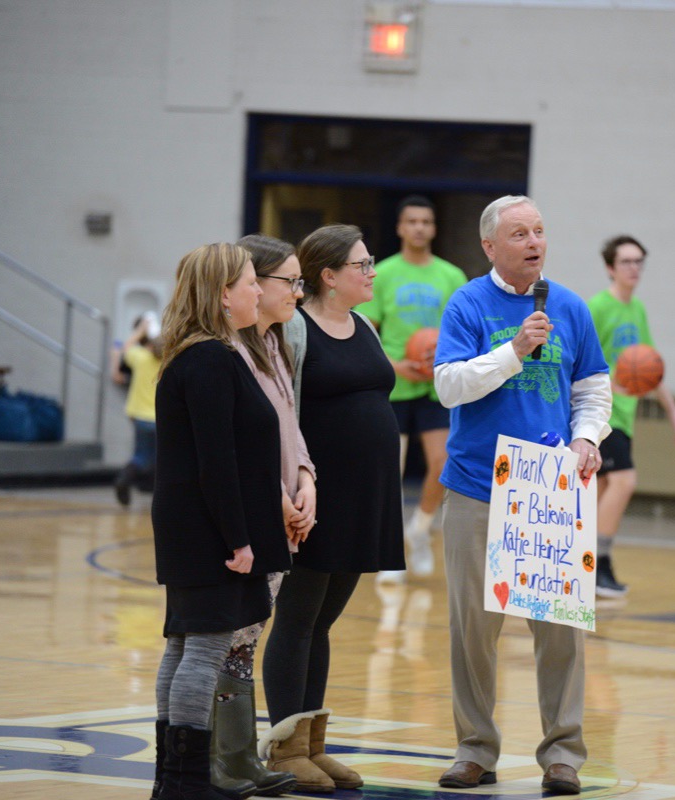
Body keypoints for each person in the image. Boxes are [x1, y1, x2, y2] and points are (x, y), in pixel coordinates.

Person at [433, 196, 611, 795]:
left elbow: (593, 390)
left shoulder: (570, 306)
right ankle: (474, 749)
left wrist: (587, 438)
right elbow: (449, 387)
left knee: (559, 629)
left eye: (539, 231)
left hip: (549, 488)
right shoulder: (467, 304)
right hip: (478, 486)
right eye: (518, 233)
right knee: (473, 631)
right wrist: (514, 351)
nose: (534, 241)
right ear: (490, 247)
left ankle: (562, 755)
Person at [260, 224, 404, 792]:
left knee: (323, 622)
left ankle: (311, 745)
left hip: (365, 492)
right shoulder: (293, 329)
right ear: (329, 275)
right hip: (315, 490)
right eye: (363, 264)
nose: (372, 272)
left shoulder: (365, 325)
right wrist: (292, 481)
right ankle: (282, 749)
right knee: (297, 619)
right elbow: (278, 407)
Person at [150, 242, 293, 800]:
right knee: (203, 648)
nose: (259, 290)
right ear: (222, 294)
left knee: (185, 646)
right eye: (249, 282)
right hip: (208, 529)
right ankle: (186, 782)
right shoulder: (210, 358)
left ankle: (174, 780)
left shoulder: (198, 354)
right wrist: (239, 538)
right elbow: (217, 460)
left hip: (191, 523)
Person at [198, 234, 316, 796]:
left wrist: (308, 480)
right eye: (287, 281)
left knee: (249, 637)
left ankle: (241, 759)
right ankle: (223, 761)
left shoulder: (276, 344)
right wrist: (277, 496)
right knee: (231, 638)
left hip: (284, 513)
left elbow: (289, 430)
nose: (297, 290)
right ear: (250, 285)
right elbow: (236, 446)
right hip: (253, 516)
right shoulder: (229, 354)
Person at [357, 195, 467, 582]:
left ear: (434, 229)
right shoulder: (382, 273)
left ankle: (418, 531)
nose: (419, 227)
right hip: (393, 383)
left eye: (426, 221)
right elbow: (366, 331)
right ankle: (390, 555)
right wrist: (396, 365)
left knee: (443, 463)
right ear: (401, 228)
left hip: (436, 386)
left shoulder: (451, 276)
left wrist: (441, 363)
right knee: (391, 470)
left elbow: (462, 332)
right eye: (412, 221)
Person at [587, 235, 675, 597]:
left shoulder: (637, 310)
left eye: (639, 261)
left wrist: (672, 410)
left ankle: (580, 565)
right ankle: (600, 565)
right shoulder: (597, 307)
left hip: (625, 415)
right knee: (624, 481)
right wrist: (613, 383)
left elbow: (649, 366)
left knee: (597, 493)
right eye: (627, 261)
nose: (634, 268)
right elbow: (580, 362)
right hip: (601, 412)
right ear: (610, 268)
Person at [113, 314, 162, 505]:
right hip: (159, 419)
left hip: (139, 415)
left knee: (141, 454)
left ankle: (124, 478)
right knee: (159, 457)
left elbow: (125, 349)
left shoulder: (140, 358)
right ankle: (155, 495)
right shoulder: (168, 361)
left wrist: (139, 331)